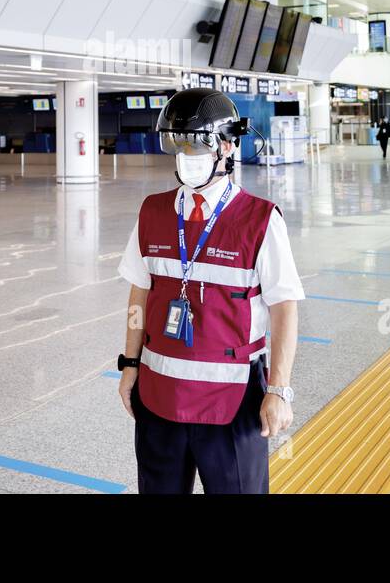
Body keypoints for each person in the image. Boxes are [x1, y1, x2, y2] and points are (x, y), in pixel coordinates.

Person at [116, 89, 304, 494]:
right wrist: (130, 364)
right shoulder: (152, 211)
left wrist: (279, 390)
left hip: (234, 403)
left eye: (197, 141)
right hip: (159, 396)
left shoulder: (260, 220)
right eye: (178, 142)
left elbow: (284, 308)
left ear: (230, 143)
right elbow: (139, 295)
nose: (187, 153)